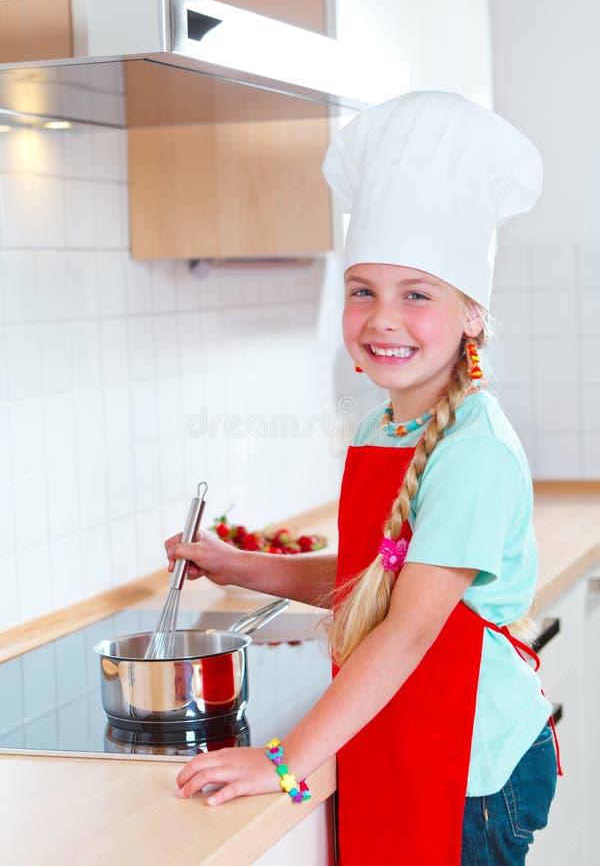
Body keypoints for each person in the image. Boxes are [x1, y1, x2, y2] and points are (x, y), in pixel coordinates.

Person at [165, 90, 560, 865]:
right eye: (362, 291)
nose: (383, 318)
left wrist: (285, 761)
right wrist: (241, 565)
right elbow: (369, 583)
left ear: (472, 314)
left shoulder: (473, 451)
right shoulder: (385, 424)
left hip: (471, 772)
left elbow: (408, 630)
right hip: (410, 733)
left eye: (417, 295)